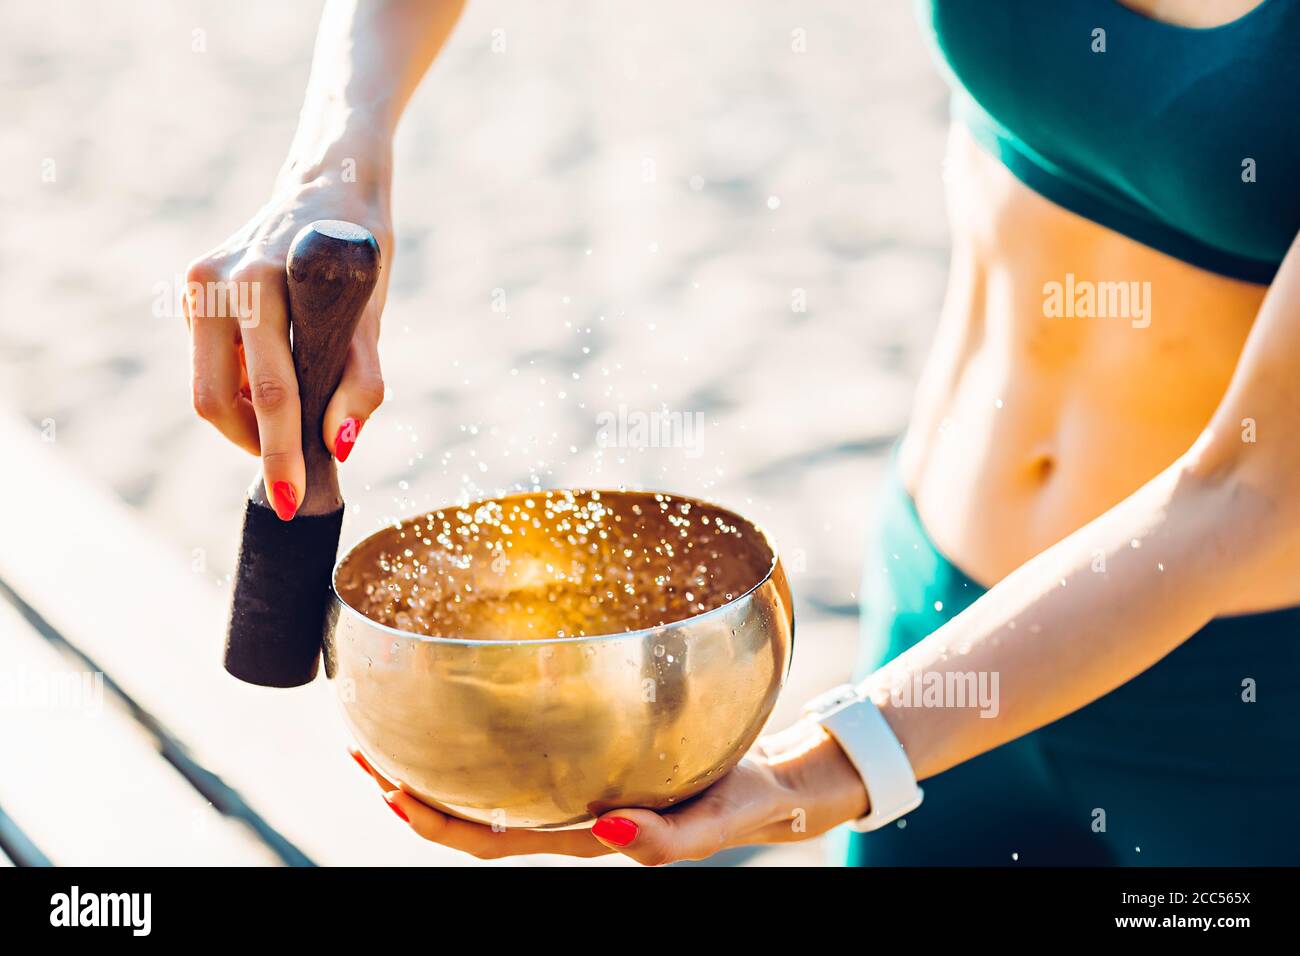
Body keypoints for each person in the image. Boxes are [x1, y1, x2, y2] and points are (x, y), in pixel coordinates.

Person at [187, 0, 1300, 865]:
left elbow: (1251, 493)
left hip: (1236, 711)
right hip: (934, 614)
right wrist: (337, 162)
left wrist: (829, 762)